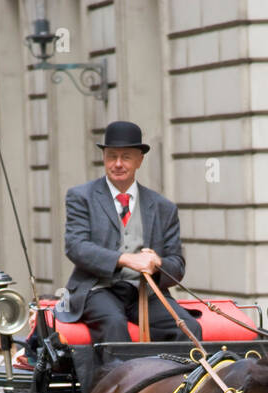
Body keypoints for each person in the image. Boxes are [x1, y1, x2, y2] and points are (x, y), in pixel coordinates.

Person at [58, 120, 199, 344]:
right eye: (112, 156)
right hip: (98, 290)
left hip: (145, 292)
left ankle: (175, 378)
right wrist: (126, 260)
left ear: (139, 160)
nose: (118, 164)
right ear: (104, 158)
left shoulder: (163, 207)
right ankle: (119, 380)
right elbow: (76, 247)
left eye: (126, 157)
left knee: (189, 328)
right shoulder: (81, 196)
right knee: (113, 323)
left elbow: (177, 265)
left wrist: (157, 263)